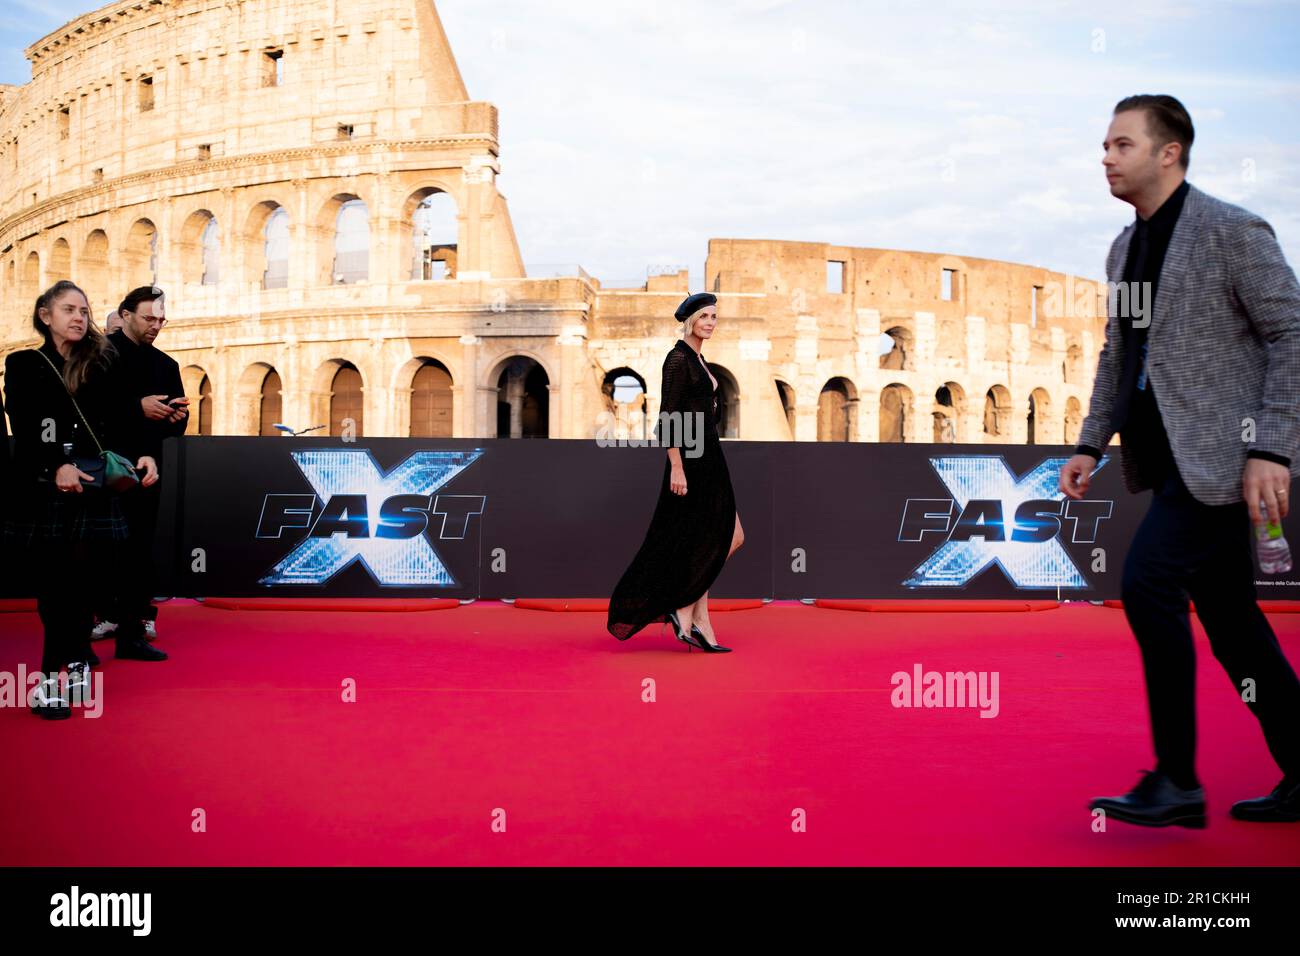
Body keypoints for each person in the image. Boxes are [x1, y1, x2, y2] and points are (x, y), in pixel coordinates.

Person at [1061, 95, 1300, 825]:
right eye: (1104, 144)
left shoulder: (1230, 231)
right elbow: (1120, 355)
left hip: (1226, 461)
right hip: (1164, 460)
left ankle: (1176, 778)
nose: (1106, 156)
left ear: (1169, 152)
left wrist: (1271, 448)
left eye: (1121, 144)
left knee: (1147, 584)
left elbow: (1292, 334)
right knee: (1232, 621)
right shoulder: (1123, 249)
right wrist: (1088, 442)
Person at [1, 281, 162, 719]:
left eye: (84, 310)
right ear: (44, 314)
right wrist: (56, 464)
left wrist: (142, 453)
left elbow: (121, 418)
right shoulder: (24, 364)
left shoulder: (100, 363)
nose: (78, 317)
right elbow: (29, 422)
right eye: (69, 308)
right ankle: (52, 676)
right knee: (55, 585)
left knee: (84, 583)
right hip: (45, 486)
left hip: (93, 486)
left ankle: (73, 661)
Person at [607, 292, 744, 652]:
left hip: (709, 454)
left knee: (722, 538)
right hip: (692, 459)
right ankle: (691, 613)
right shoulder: (678, 359)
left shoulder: (700, 359)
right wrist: (677, 467)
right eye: (704, 317)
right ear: (690, 321)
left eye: (715, 316)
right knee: (721, 537)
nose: (711, 322)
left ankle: (692, 613)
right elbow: (668, 416)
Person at [97, 286, 185, 656]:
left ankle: (131, 634)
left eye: (161, 320)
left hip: (147, 469)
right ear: (127, 314)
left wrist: (173, 417)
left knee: (138, 551)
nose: (156, 326)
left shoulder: (166, 365)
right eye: (149, 318)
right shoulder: (97, 356)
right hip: (98, 468)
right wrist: (138, 408)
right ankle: (85, 633)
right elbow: (88, 410)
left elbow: (175, 422)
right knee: (97, 551)